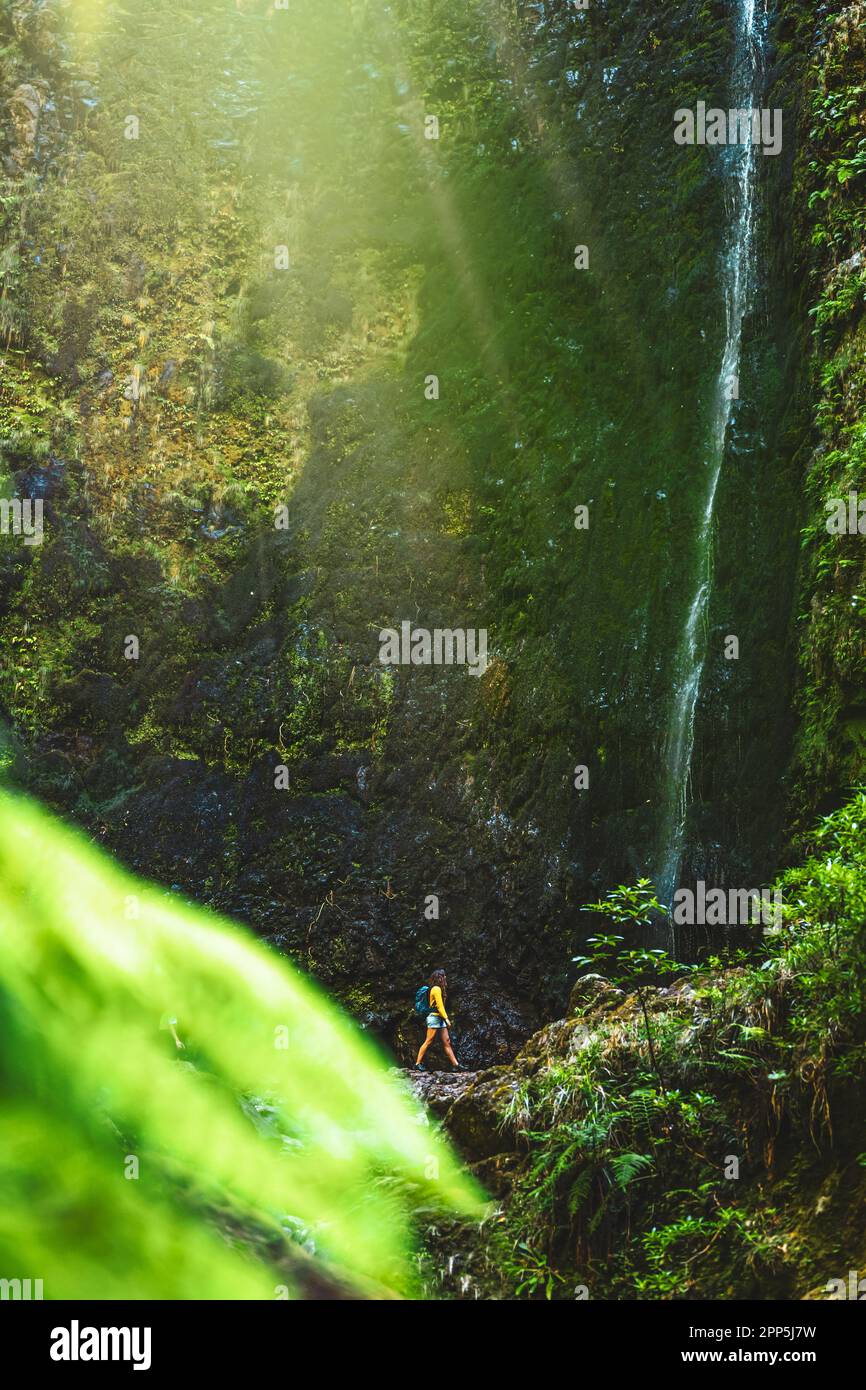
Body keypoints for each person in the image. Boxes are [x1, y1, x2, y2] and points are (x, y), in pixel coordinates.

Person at [415, 968, 463, 1071]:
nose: (445, 977)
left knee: (447, 1041)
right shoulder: (436, 989)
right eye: (444, 976)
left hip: (439, 1018)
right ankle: (417, 1063)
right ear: (440, 978)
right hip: (434, 1017)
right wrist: (447, 1019)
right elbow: (440, 1007)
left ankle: (456, 1065)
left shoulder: (439, 989)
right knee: (429, 1040)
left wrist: (444, 1019)